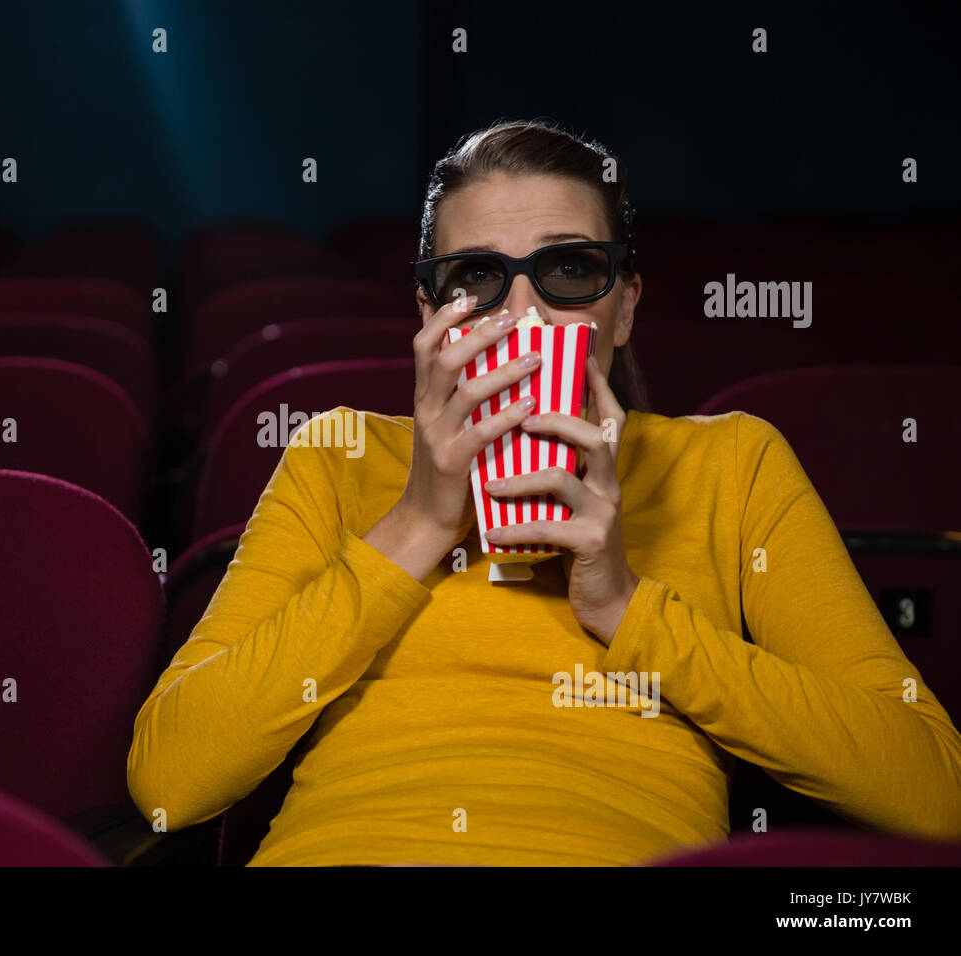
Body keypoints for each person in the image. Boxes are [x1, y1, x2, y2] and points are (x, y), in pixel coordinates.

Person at [127, 119, 961, 865]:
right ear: (429, 314)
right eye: (477, 277)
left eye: (569, 268)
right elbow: (171, 780)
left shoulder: (730, 466)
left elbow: (934, 793)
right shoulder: (340, 456)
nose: (523, 313)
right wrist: (417, 523)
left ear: (624, 306)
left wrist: (629, 610)